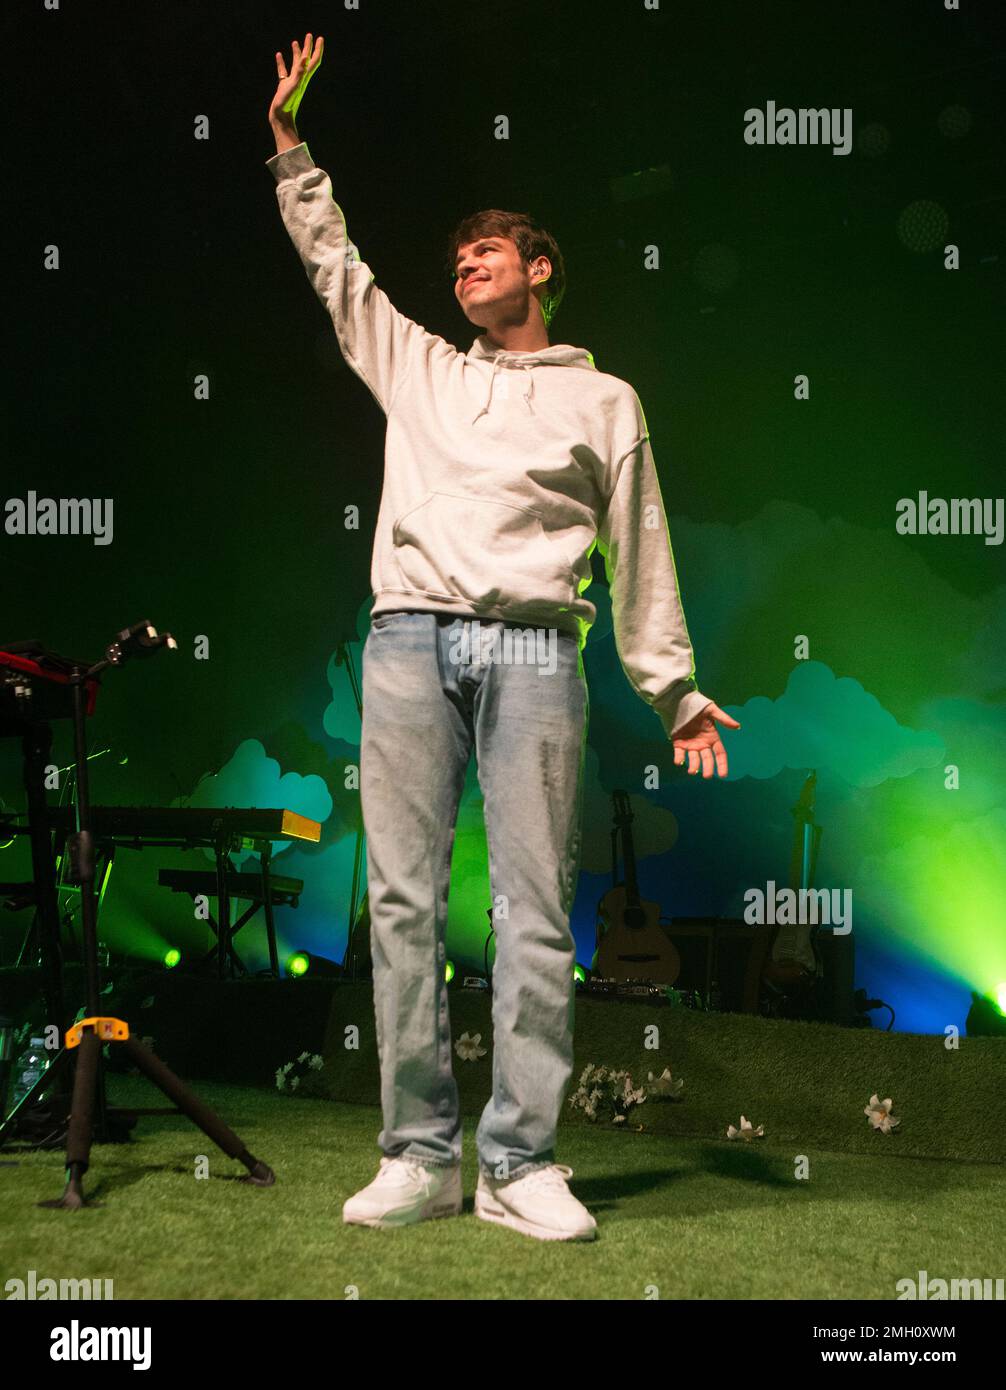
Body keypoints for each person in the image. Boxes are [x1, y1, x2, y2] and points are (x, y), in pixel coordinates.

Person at [266, 34, 739, 1242]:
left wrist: (673, 689)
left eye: (489, 248)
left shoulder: (603, 398)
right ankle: (418, 1153)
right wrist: (289, 149)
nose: (465, 260)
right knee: (400, 902)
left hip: (536, 655)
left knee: (533, 912)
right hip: (409, 642)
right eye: (457, 253)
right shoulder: (418, 366)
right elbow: (339, 272)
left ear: (540, 268)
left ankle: (520, 1161)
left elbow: (639, 546)